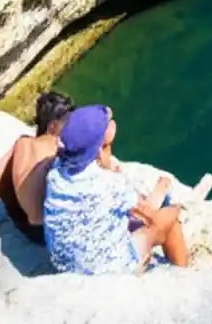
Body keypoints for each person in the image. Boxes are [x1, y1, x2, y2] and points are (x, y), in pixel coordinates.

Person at [44, 105, 191, 274]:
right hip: (109, 271)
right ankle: (183, 276)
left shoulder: (54, 174)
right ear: (99, 148)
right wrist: (163, 189)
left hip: (65, 266)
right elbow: (149, 215)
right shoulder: (109, 185)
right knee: (170, 217)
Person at [0, 91, 76, 245]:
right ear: (53, 126)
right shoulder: (57, 146)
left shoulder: (22, 143)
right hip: (49, 231)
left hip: (28, 229)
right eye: (68, 123)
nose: (73, 127)